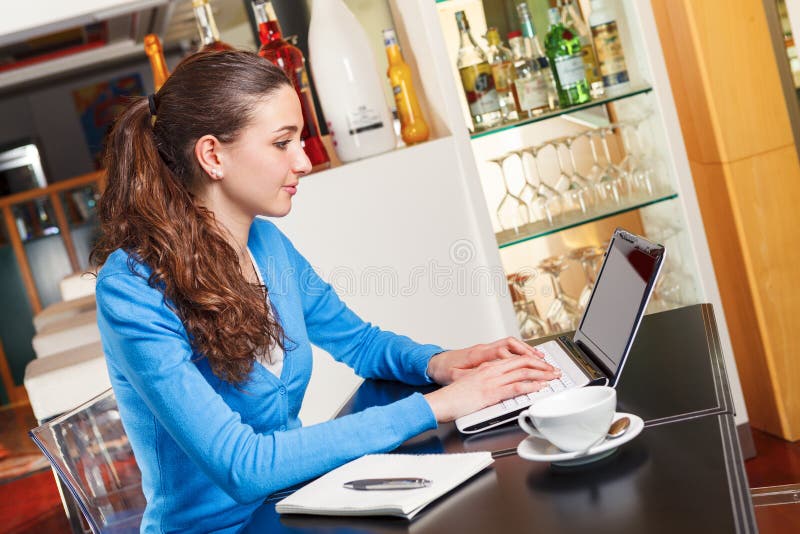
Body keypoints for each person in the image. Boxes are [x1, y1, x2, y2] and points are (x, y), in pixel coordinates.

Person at [92, 50, 558, 533]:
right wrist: (436, 406)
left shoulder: (266, 245)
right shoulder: (132, 291)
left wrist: (440, 363)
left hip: (299, 503)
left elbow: (359, 342)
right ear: (213, 155)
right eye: (282, 143)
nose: (306, 161)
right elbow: (243, 465)